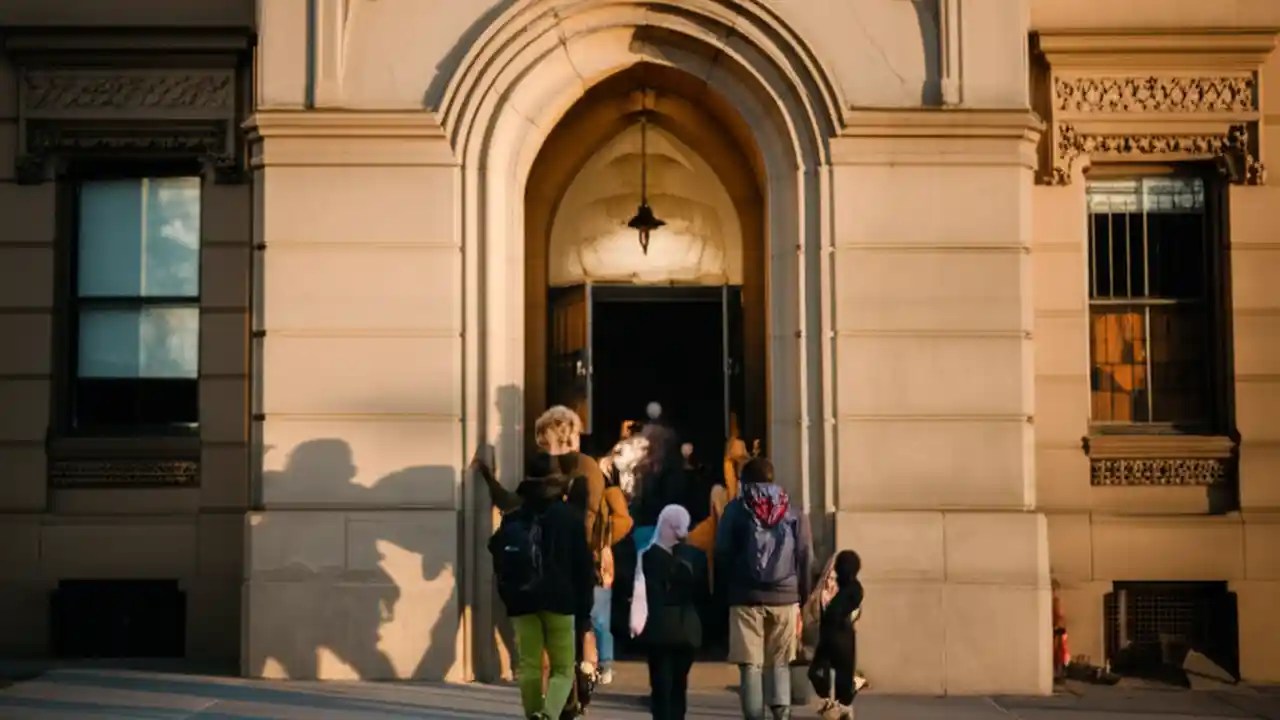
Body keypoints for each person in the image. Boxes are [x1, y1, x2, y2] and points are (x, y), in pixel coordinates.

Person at [489, 453, 595, 720]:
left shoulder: (514, 516)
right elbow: (583, 567)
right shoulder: (568, 518)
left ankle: (533, 713)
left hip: (522, 600)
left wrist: (508, 594)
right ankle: (547, 715)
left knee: (529, 666)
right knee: (562, 667)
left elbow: (496, 549)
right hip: (560, 601)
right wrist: (585, 611)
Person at [715, 457, 814, 720]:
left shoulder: (736, 509)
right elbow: (805, 556)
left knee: (751, 665)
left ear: (744, 481)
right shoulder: (792, 511)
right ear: (772, 478)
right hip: (786, 598)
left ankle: (754, 717)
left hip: (745, 597)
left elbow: (722, 552)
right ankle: (782, 714)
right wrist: (802, 598)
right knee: (781, 662)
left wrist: (727, 591)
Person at [631, 505, 702, 720]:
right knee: (679, 685)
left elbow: (637, 592)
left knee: (660, 685)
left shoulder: (646, 557)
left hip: (658, 628)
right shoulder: (695, 557)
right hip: (687, 628)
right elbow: (704, 596)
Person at [807, 551, 863, 720]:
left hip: (840, 637)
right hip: (834, 638)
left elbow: (836, 611)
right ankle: (835, 705)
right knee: (819, 673)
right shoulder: (841, 586)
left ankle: (839, 708)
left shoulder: (852, 589)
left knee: (840, 679)